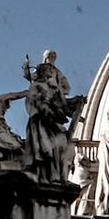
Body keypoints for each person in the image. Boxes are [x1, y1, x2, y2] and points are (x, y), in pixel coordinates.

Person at [23, 50, 83, 183]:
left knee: (59, 149)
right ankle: (47, 175)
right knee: (47, 149)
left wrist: (73, 102)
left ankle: (56, 176)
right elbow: (33, 104)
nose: (50, 75)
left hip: (54, 122)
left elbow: (65, 93)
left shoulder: (56, 87)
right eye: (48, 73)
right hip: (42, 122)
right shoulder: (37, 88)